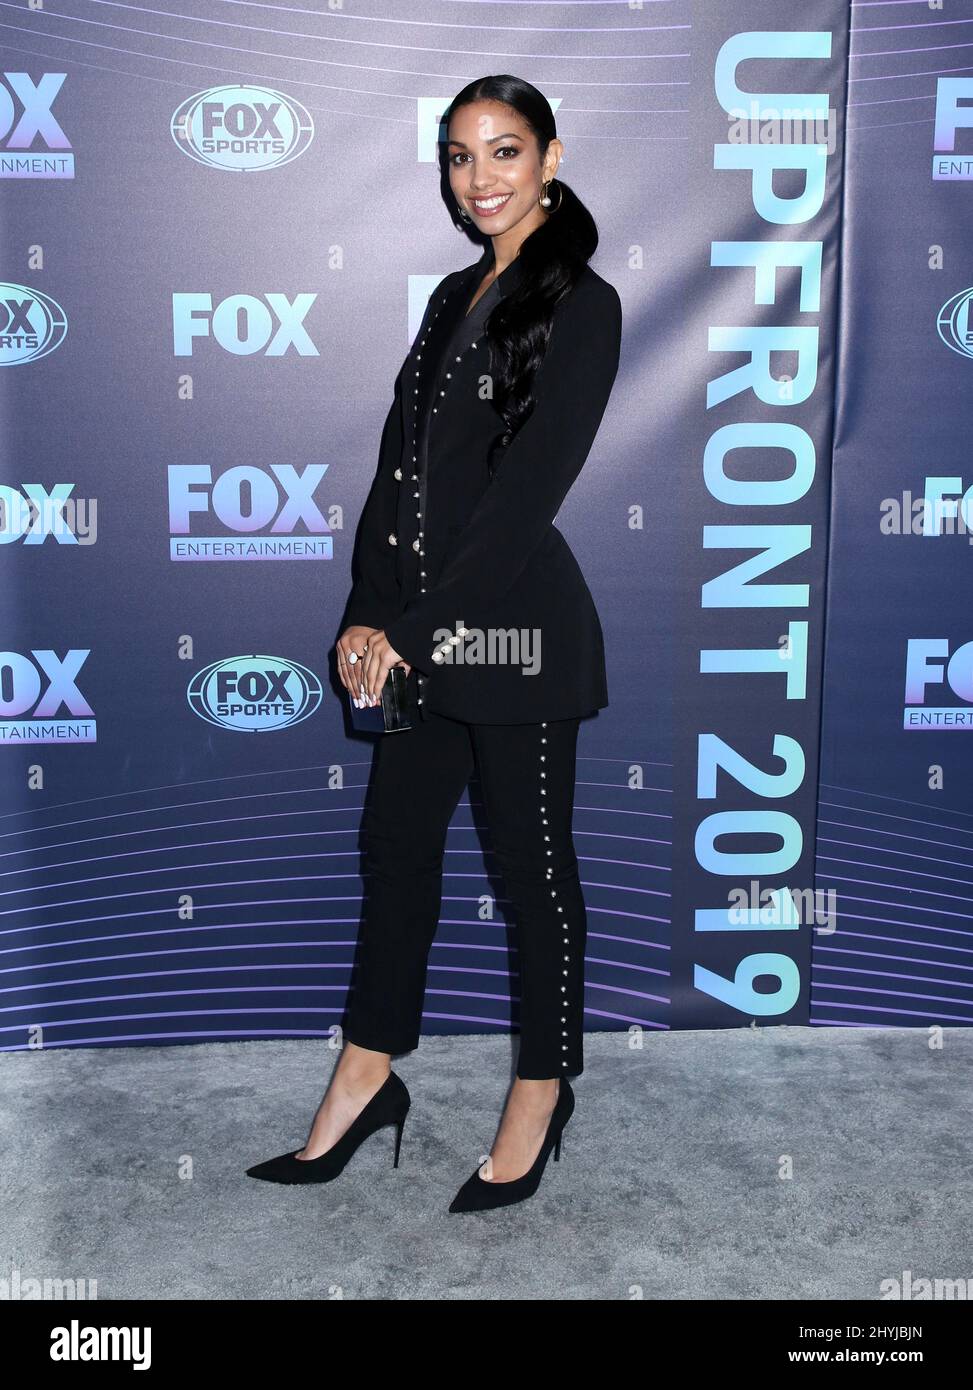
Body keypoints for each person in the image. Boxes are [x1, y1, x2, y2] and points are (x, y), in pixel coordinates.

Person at [247, 74, 623, 1213]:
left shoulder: (583, 302)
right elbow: (398, 472)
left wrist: (410, 633)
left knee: (531, 873)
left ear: (550, 156)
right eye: (460, 158)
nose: (481, 179)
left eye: (505, 153)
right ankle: (369, 1072)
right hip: (416, 630)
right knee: (395, 853)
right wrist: (368, 609)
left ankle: (542, 1087)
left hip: (514, 635)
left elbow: (518, 504)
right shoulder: (454, 293)